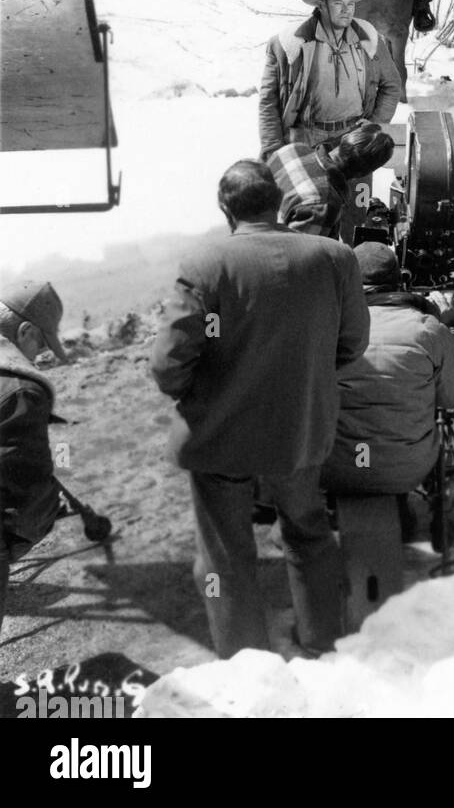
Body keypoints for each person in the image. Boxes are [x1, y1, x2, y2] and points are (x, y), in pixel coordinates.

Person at [151, 160, 370, 658]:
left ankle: (243, 662)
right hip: (301, 428)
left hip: (221, 437)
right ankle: (322, 642)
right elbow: (351, 344)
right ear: (278, 202)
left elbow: (169, 363)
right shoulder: (336, 258)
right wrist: (306, 375)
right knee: (309, 534)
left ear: (226, 209)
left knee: (222, 558)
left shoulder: (205, 266)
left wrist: (199, 392)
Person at [321, 242, 454, 501]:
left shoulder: (325, 327)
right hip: (408, 470)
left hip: (336, 467)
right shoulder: (427, 329)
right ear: (400, 280)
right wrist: (452, 328)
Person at [259, 0, 402, 162]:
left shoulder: (371, 41)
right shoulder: (288, 44)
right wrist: (272, 147)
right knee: (312, 191)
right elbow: (269, 100)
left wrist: (374, 125)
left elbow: (392, 85)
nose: (347, 10)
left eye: (351, 3)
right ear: (321, 5)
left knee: (353, 191)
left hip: (354, 138)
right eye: (338, 3)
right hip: (306, 139)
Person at [0, 281, 66, 635]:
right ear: (24, 331)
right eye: (40, 342)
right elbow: (25, 497)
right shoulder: (20, 390)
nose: (38, 354)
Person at [267, 125, 396, 241]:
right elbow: (299, 259)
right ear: (362, 174)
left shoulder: (292, 149)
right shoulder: (325, 204)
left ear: (344, 140)